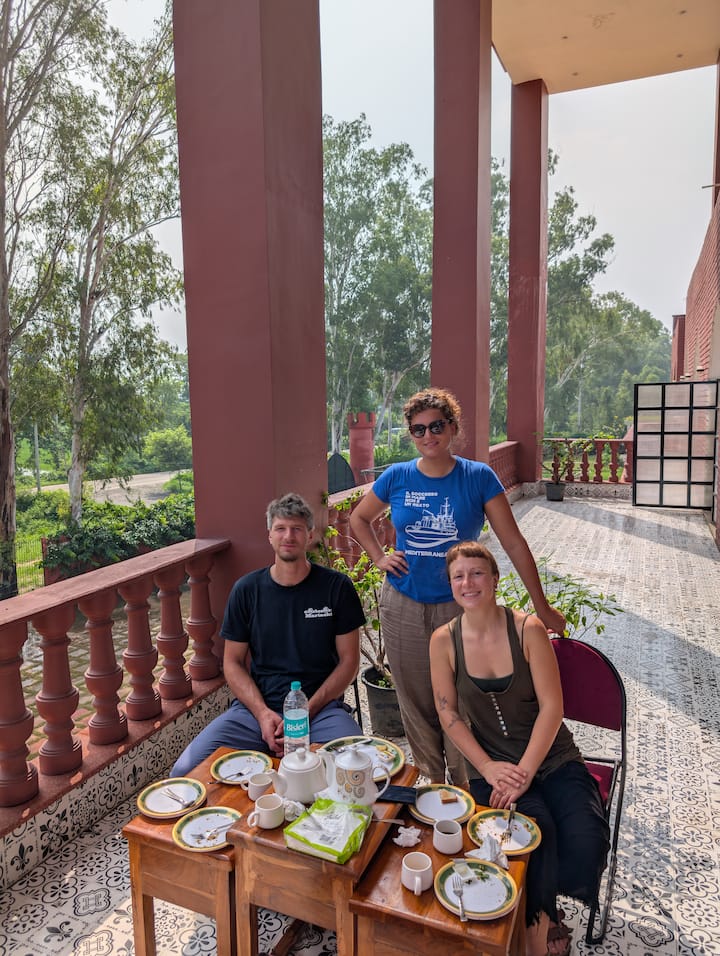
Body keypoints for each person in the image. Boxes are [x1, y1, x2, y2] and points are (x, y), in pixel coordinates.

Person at [349, 386, 566, 786]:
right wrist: (380, 556)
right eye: (418, 429)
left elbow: (514, 542)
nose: (428, 436)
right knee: (415, 700)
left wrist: (542, 604)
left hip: (461, 607)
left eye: (436, 426)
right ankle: (431, 782)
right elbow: (359, 519)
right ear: (410, 434)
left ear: (452, 428)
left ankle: (465, 787)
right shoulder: (397, 476)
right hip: (404, 602)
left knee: (462, 701)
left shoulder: (477, 477)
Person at [429, 541, 609, 956]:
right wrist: (489, 768)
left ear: (494, 580)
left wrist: (524, 771)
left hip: (553, 757)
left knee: (585, 837)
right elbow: (448, 715)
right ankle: (537, 934)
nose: (468, 582)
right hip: (488, 765)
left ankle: (541, 903)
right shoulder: (443, 640)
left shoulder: (526, 629)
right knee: (533, 833)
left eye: (477, 573)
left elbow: (553, 707)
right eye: (459, 576)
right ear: (451, 586)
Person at [171, 493, 365, 776]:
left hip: (321, 710)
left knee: (359, 772)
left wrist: (306, 713)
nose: (289, 536)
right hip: (255, 711)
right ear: (270, 536)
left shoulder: (336, 587)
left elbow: (349, 662)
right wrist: (262, 714)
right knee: (185, 771)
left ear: (310, 535)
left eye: (297, 529)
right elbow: (232, 663)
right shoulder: (247, 590)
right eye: (281, 529)